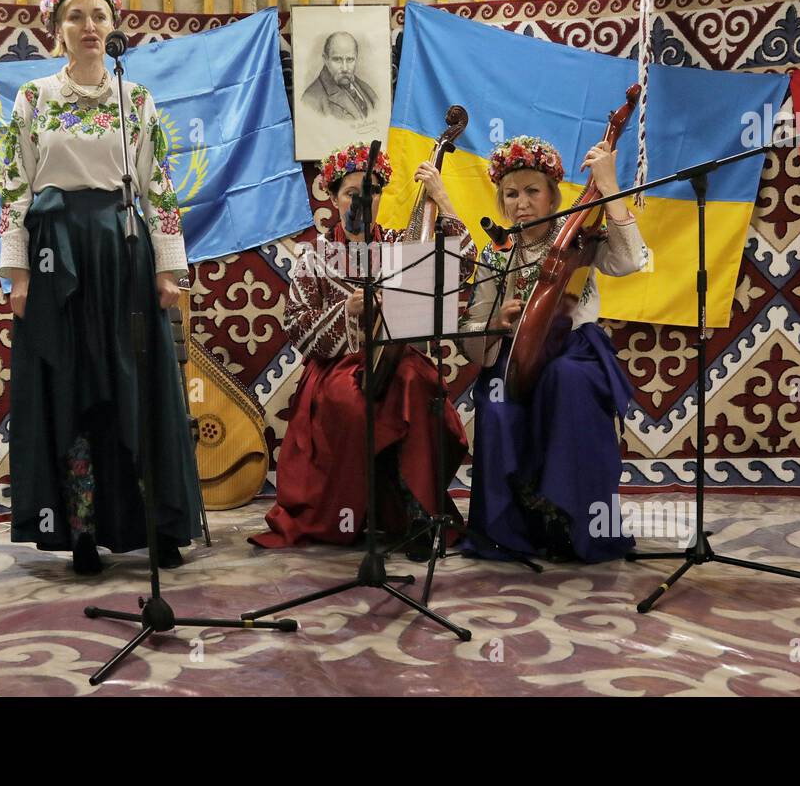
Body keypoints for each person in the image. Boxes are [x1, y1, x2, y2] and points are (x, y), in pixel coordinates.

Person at [0, 0, 201, 575]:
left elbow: (157, 186)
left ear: (116, 28)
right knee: (75, 390)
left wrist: (168, 268)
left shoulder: (134, 99)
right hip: (59, 258)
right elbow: (15, 186)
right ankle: (82, 530)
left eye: (98, 16)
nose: (88, 26)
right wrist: (18, 273)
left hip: (123, 252)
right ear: (56, 30)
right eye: (75, 17)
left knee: (136, 386)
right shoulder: (34, 99)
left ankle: (155, 524)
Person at [251, 143, 473, 556]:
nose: (362, 200)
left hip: (395, 356)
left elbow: (464, 266)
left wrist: (441, 199)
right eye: (353, 192)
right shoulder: (312, 255)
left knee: (419, 383)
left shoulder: (398, 243)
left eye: (372, 191)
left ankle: (417, 514)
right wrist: (345, 310)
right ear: (333, 199)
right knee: (354, 405)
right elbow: (299, 331)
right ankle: (373, 514)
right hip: (334, 368)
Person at [459, 135, 650, 563]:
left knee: (568, 382)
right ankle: (509, 531)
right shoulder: (497, 253)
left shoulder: (581, 239)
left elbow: (633, 260)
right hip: (513, 358)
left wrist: (611, 188)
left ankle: (571, 522)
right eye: (511, 193)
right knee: (497, 403)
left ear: (552, 197)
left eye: (532, 191)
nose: (521, 202)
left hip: (573, 350)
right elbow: (472, 324)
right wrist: (495, 323)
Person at [300, 32, 378, 121]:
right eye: (337, 59)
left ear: (356, 59)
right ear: (325, 60)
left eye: (350, 59)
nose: (345, 68)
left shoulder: (366, 88)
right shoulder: (310, 101)